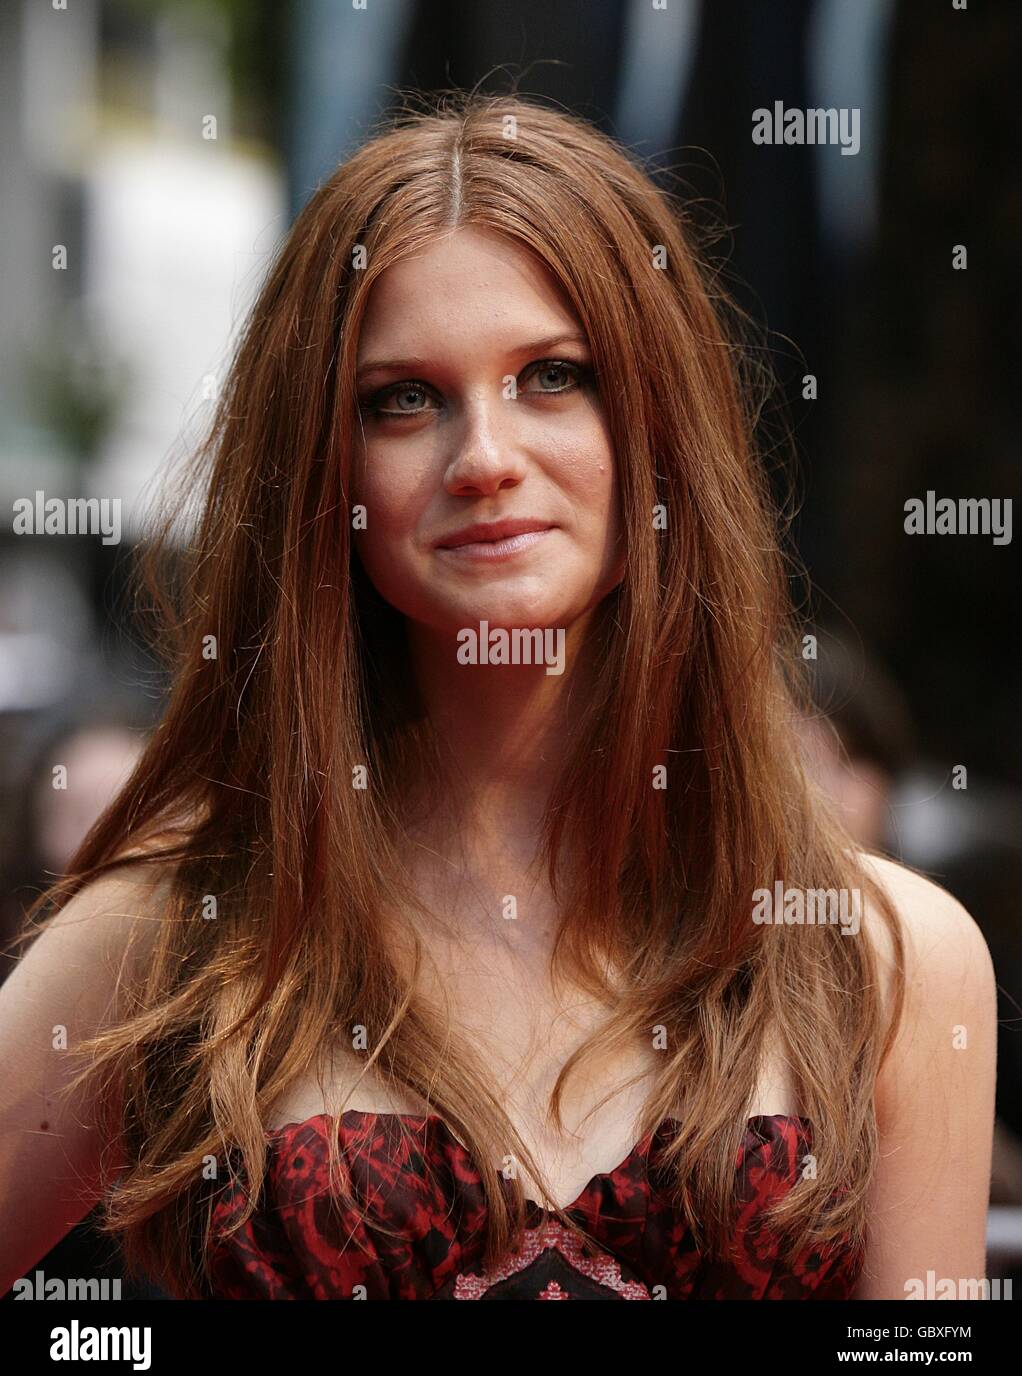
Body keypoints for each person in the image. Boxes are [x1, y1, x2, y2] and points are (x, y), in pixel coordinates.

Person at [0, 91, 996, 1301]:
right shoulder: (174, 935)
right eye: (402, 398)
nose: (483, 457)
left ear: (659, 431)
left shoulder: (888, 961)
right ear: (324, 461)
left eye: (553, 376)